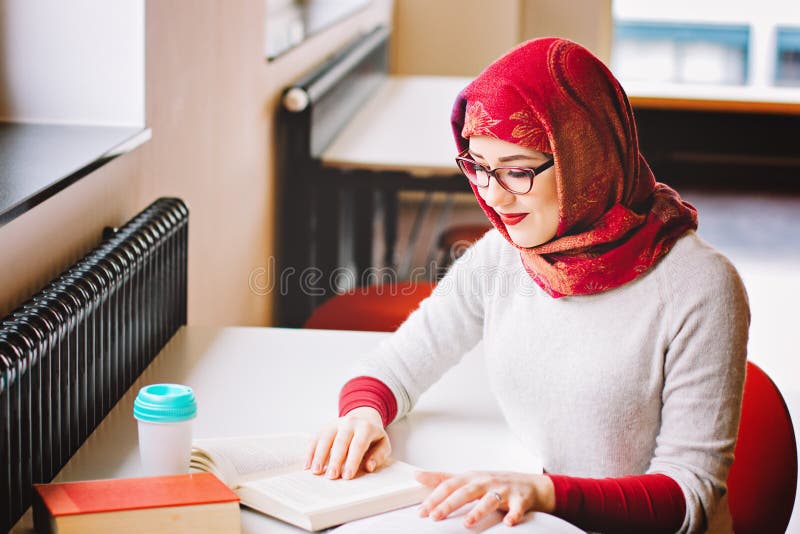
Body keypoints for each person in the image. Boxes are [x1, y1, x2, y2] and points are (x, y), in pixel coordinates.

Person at [305, 37, 749, 533]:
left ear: (586, 157)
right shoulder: (506, 256)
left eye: (517, 171)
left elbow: (691, 498)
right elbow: (397, 363)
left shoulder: (700, 288)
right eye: (478, 167)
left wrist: (546, 492)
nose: (493, 197)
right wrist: (362, 415)